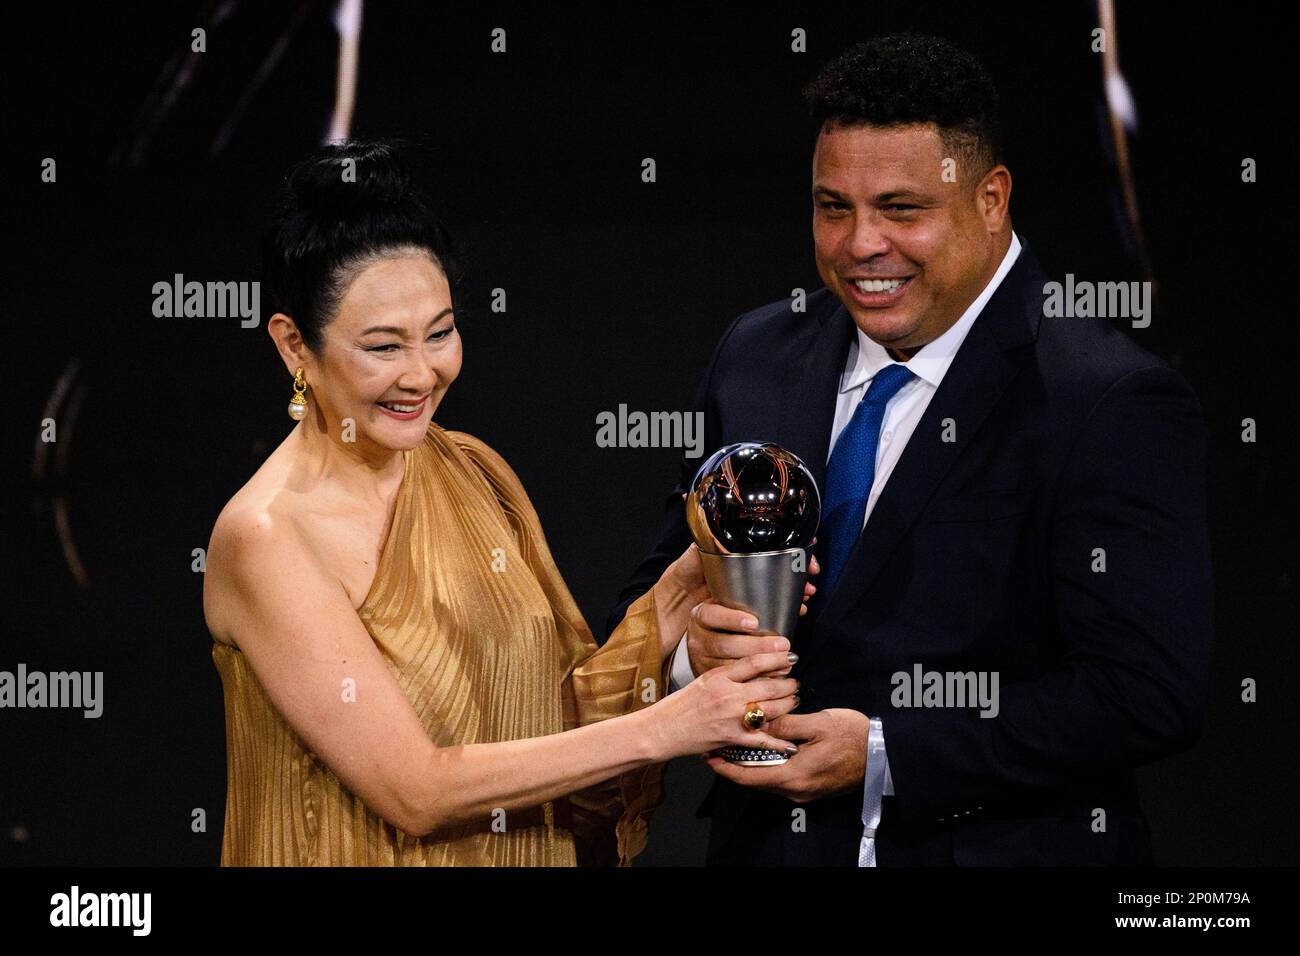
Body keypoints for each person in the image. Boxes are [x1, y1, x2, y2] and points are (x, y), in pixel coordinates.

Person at [608, 33, 1212, 866]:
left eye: (902, 209)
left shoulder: (1106, 398)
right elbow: (657, 591)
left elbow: (1149, 693)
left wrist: (889, 756)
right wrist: (687, 656)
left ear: (992, 198)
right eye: (833, 207)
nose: (860, 246)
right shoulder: (757, 355)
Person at [202, 140, 804, 866]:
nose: (422, 374)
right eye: (383, 347)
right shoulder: (266, 536)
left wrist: (684, 588)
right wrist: (675, 726)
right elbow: (415, 791)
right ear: (295, 346)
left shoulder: (472, 469)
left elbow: (563, 713)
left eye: (442, 332)